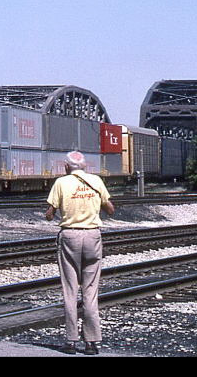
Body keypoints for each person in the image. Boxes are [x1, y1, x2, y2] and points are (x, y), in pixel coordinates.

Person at [44, 150, 115, 355]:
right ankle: (92, 342)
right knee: (91, 291)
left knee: (70, 290)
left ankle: (71, 341)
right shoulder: (96, 181)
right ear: (84, 166)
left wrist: (51, 213)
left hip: (69, 237)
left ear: (66, 167)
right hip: (93, 236)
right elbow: (110, 210)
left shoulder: (61, 183)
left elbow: (50, 214)